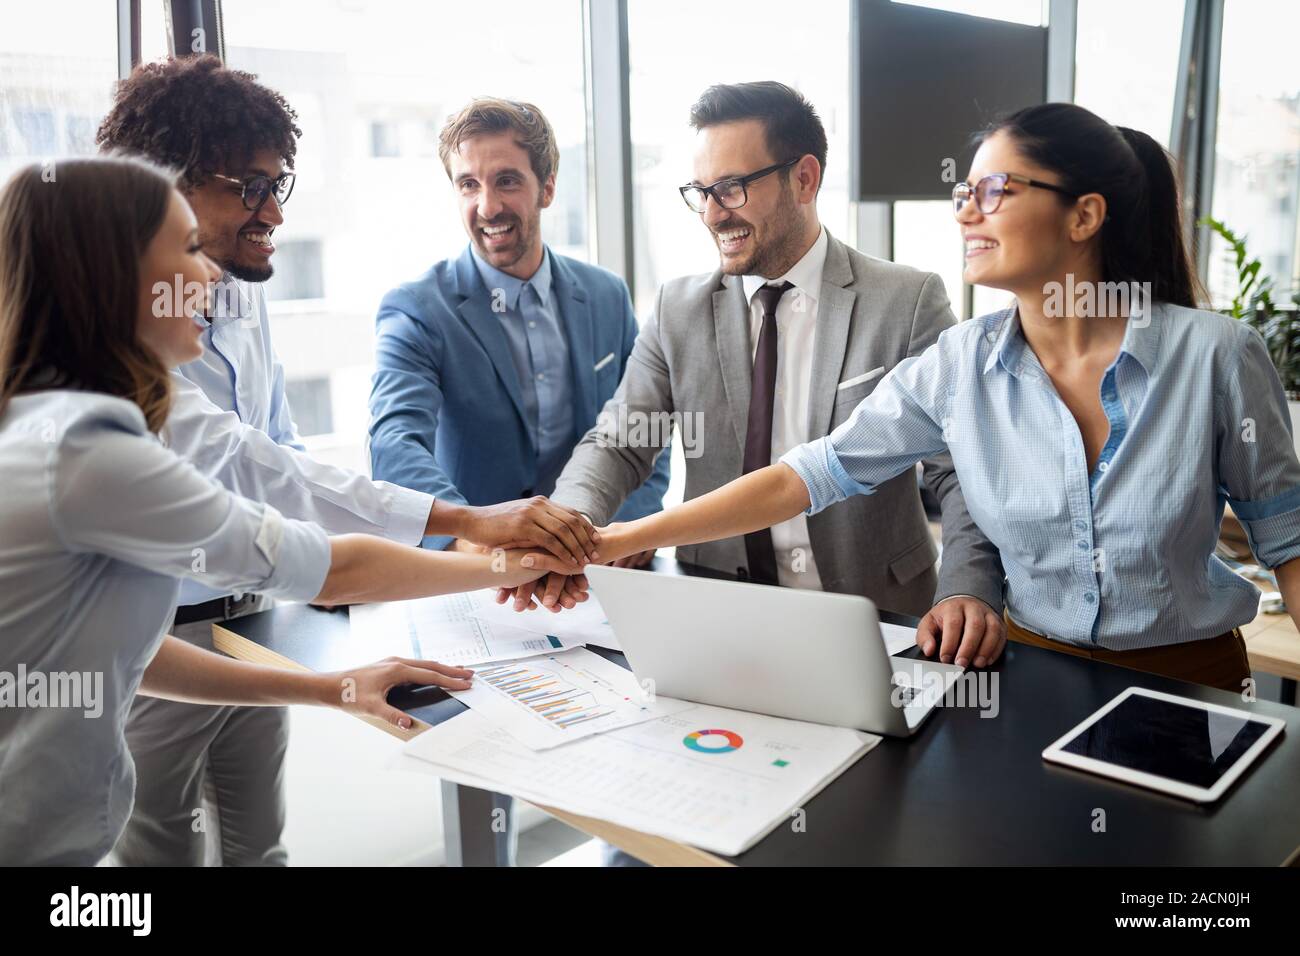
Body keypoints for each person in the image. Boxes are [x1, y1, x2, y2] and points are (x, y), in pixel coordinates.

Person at [586, 103, 1300, 693]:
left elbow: (1289, 545)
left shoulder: (1216, 356)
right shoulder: (962, 363)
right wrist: (617, 538)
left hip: (1191, 683)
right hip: (1027, 674)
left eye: (996, 193)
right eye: (966, 195)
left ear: (1084, 216)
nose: (966, 215)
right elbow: (807, 475)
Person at [0, 156, 575, 866]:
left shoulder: (52, 425)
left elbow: (131, 653)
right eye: (185, 251)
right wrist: (504, 553)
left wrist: (330, 688)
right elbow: (330, 570)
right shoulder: (93, 455)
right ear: (114, 274)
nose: (212, 276)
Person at [526, 82, 1004, 641]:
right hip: (715, 604)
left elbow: (960, 471)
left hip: (877, 613)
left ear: (804, 178)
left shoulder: (907, 300)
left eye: (729, 189)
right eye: (700, 192)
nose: (711, 214)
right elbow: (620, 442)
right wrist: (565, 528)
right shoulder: (676, 307)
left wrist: (966, 586)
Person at [368, 97, 671, 605]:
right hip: (477, 579)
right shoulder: (416, 307)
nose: (487, 206)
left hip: (598, 569)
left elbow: (646, 424)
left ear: (547, 187)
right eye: (469, 184)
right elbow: (394, 442)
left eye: (506, 180)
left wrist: (631, 524)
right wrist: (467, 539)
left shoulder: (605, 295)